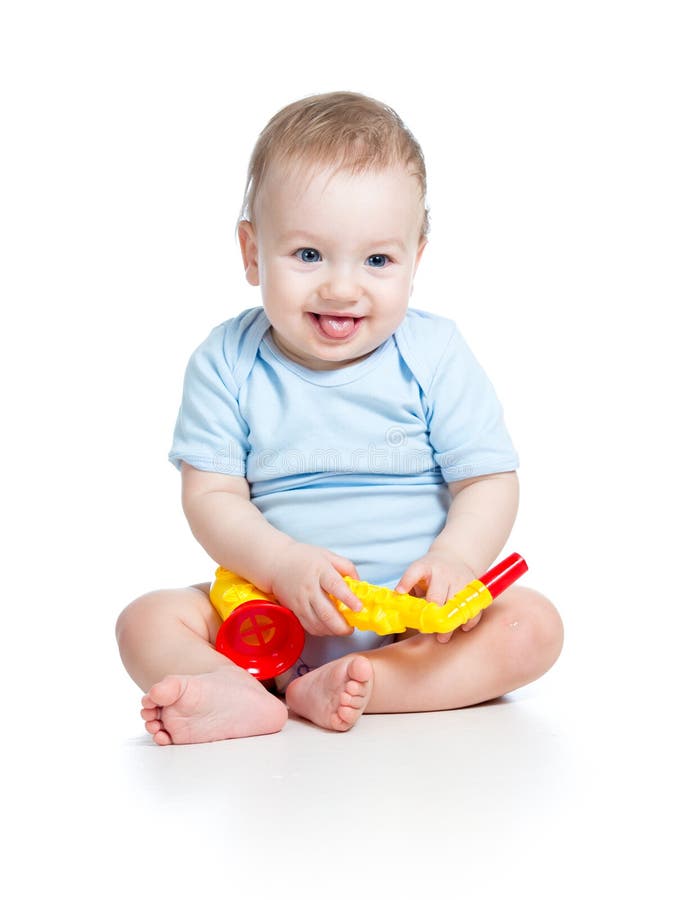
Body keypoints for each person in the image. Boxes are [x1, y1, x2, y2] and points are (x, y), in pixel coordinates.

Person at [116, 91, 564, 746]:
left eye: (377, 260)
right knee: (146, 620)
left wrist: (454, 559)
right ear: (251, 251)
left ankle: (370, 681)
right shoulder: (226, 361)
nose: (341, 288)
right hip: (266, 613)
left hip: (412, 626)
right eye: (307, 255)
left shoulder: (433, 353)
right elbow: (210, 496)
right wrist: (281, 564)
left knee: (533, 625)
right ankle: (238, 690)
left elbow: (487, 480)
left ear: (416, 256)